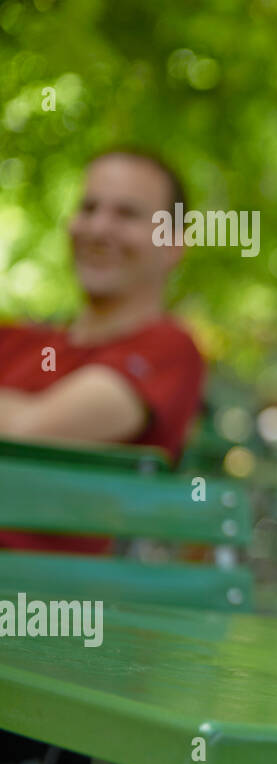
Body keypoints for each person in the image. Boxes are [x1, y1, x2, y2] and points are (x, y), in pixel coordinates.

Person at [0, 149, 205, 553]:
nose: (97, 228)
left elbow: (29, 435)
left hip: (41, 606)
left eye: (127, 214)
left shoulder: (169, 347)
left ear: (174, 244)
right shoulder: (17, 340)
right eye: (88, 207)